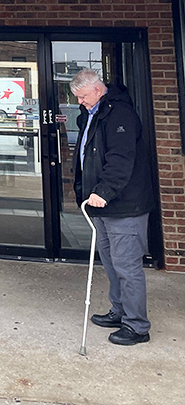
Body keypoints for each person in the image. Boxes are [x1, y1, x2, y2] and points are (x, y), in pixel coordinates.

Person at [70, 68, 155, 346]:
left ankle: (137, 326)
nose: (80, 102)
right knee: (110, 262)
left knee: (127, 265)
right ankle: (120, 311)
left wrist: (104, 191)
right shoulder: (91, 114)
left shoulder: (120, 114)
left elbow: (121, 158)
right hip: (101, 204)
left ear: (97, 89)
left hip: (123, 204)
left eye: (83, 96)